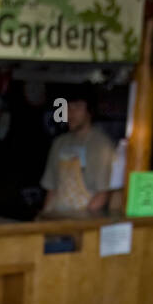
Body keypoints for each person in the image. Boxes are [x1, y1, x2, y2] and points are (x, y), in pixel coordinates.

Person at [39, 84, 116, 216]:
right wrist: (45, 218)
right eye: (67, 107)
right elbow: (51, 190)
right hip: (57, 218)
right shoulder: (59, 143)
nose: (71, 113)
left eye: (77, 107)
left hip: (85, 222)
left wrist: (79, 224)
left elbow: (103, 194)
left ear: (89, 111)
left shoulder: (102, 145)